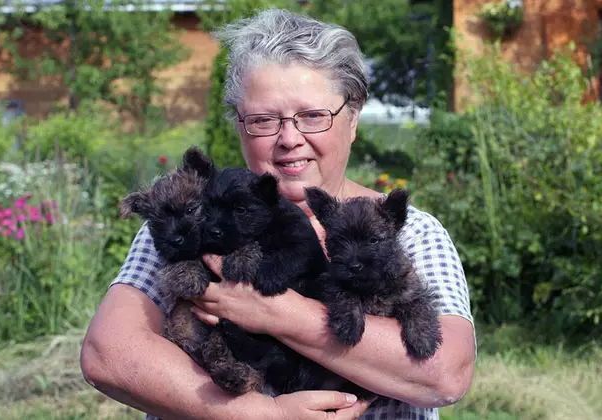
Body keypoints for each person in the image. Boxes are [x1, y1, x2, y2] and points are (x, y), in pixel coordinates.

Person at [80, 8, 476, 420]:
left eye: (312, 116)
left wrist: (278, 313)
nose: (289, 138)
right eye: (264, 120)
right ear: (238, 125)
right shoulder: (189, 226)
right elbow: (107, 354)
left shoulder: (412, 234)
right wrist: (264, 414)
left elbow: (446, 374)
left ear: (353, 118)